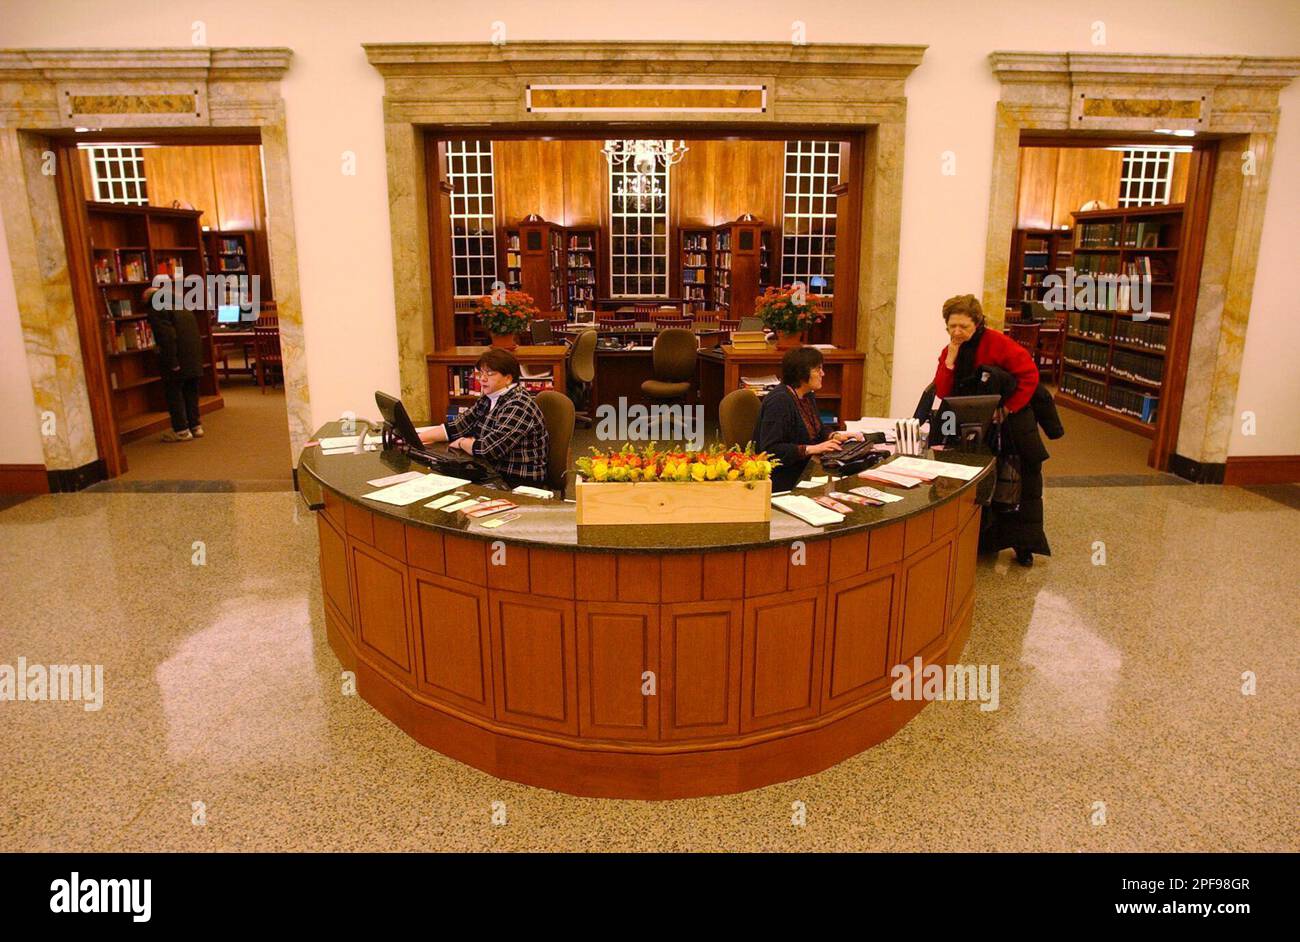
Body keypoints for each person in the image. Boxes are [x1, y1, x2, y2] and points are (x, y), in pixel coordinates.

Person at [933, 293, 1049, 566]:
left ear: (977, 323)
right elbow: (942, 390)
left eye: (964, 326)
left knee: (1017, 485)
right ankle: (982, 540)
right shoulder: (951, 348)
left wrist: (1008, 408)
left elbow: (1030, 374)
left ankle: (1023, 545)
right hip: (974, 424)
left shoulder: (998, 343)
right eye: (952, 326)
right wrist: (950, 359)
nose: (957, 332)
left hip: (1009, 423)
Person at [418, 348, 549, 487]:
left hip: (516, 480)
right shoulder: (489, 397)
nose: (482, 379)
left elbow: (487, 450)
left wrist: (462, 442)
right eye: (481, 373)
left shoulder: (518, 405)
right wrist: (418, 438)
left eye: (490, 374)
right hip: (490, 471)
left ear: (508, 378)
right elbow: (458, 426)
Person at [756, 346, 864, 492]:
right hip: (782, 477)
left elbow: (817, 429)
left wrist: (835, 436)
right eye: (817, 369)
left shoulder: (807, 395)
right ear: (801, 373)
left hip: (804, 468)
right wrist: (812, 449)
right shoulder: (779, 401)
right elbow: (771, 450)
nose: (823, 374)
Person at [144, 286, 205, 442]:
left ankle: (181, 430)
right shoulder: (182, 306)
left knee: (174, 393)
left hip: (178, 358)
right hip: (193, 357)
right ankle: (195, 426)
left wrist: (172, 361)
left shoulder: (157, 310)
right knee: (191, 392)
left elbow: (166, 337)